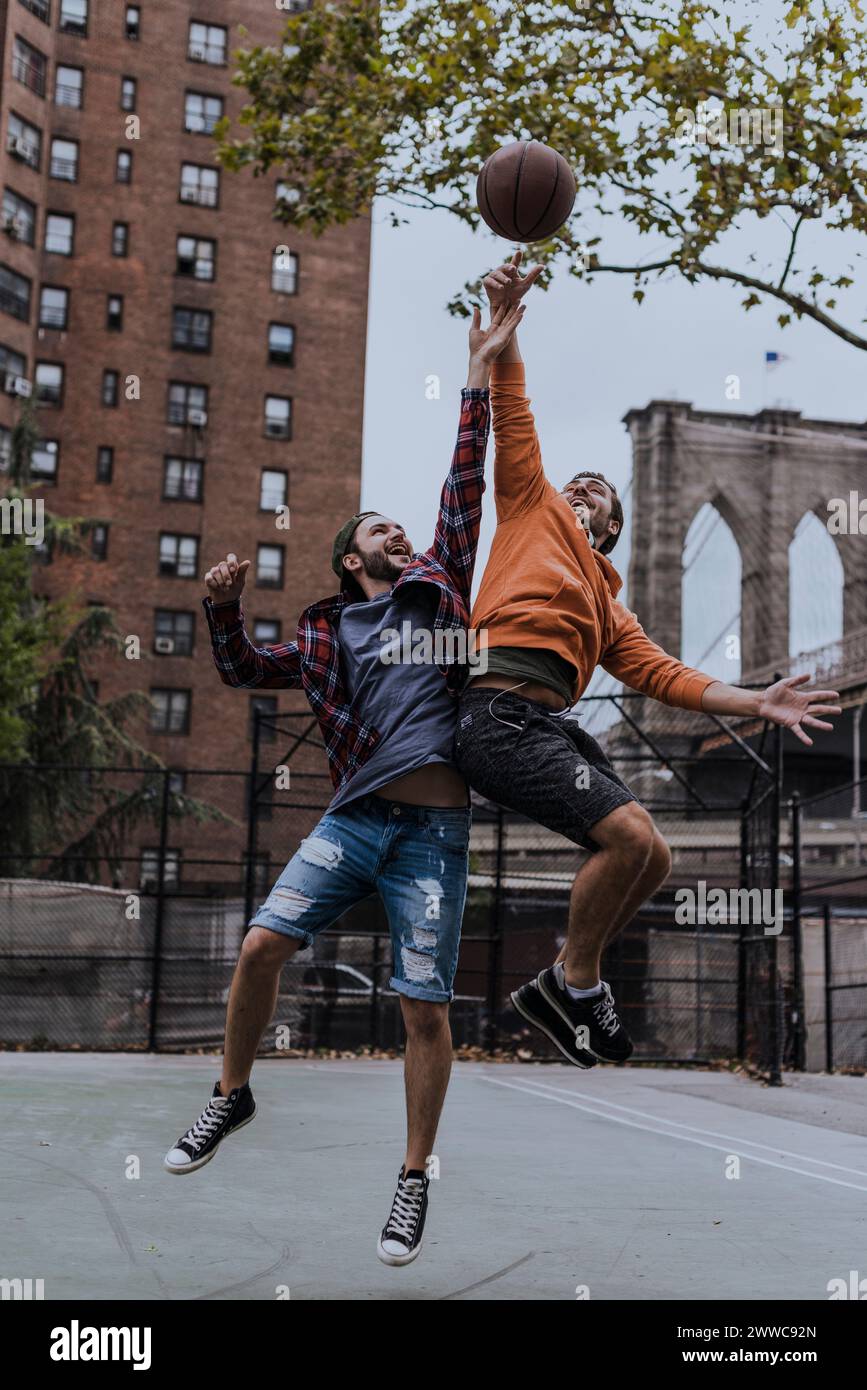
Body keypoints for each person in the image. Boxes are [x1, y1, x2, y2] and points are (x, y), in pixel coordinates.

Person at [163, 299, 525, 1268]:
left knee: (423, 1008)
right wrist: (220, 610)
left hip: (436, 837)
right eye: (379, 530)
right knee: (259, 946)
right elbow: (243, 673)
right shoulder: (328, 632)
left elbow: (464, 484)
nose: (399, 532)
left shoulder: (439, 584)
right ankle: (230, 1095)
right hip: (357, 819)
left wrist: (478, 369)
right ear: (349, 558)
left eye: (401, 527)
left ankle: (411, 1181)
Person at [454, 254, 841, 1068]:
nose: (583, 484)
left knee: (654, 855)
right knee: (628, 837)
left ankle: (562, 982)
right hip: (495, 715)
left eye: (598, 491)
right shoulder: (528, 507)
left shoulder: (605, 604)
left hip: (542, 723)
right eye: (578, 481)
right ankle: (577, 986)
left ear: (609, 527)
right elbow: (515, 417)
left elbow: (668, 676)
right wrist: (507, 325)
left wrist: (756, 701)